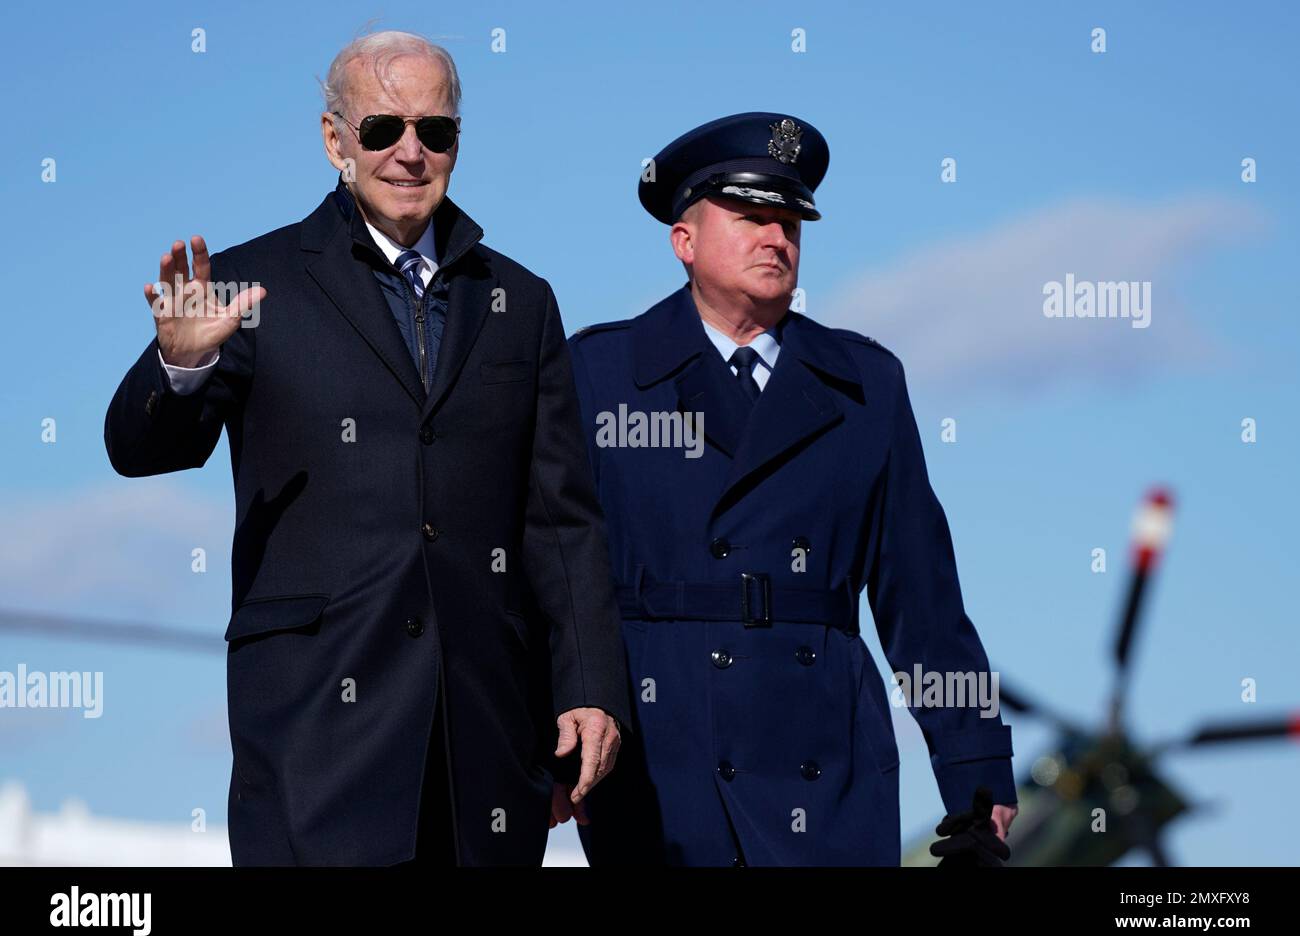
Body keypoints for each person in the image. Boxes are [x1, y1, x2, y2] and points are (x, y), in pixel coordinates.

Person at [103, 30, 629, 866]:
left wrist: (590, 687)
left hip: (485, 745)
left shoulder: (520, 302)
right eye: (382, 128)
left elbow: (560, 521)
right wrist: (183, 360)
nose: (410, 153)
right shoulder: (247, 285)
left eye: (436, 130)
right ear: (334, 140)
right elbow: (138, 450)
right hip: (316, 737)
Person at [565, 112, 1017, 865]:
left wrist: (976, 777)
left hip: (827, 768)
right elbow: (559, 579)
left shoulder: (866, 385)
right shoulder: (599, 374)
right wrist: (542, 748)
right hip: (659, 767)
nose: (776, 238)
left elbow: (925, 604)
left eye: (790, 223)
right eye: (750, 218)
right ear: (684, 240)